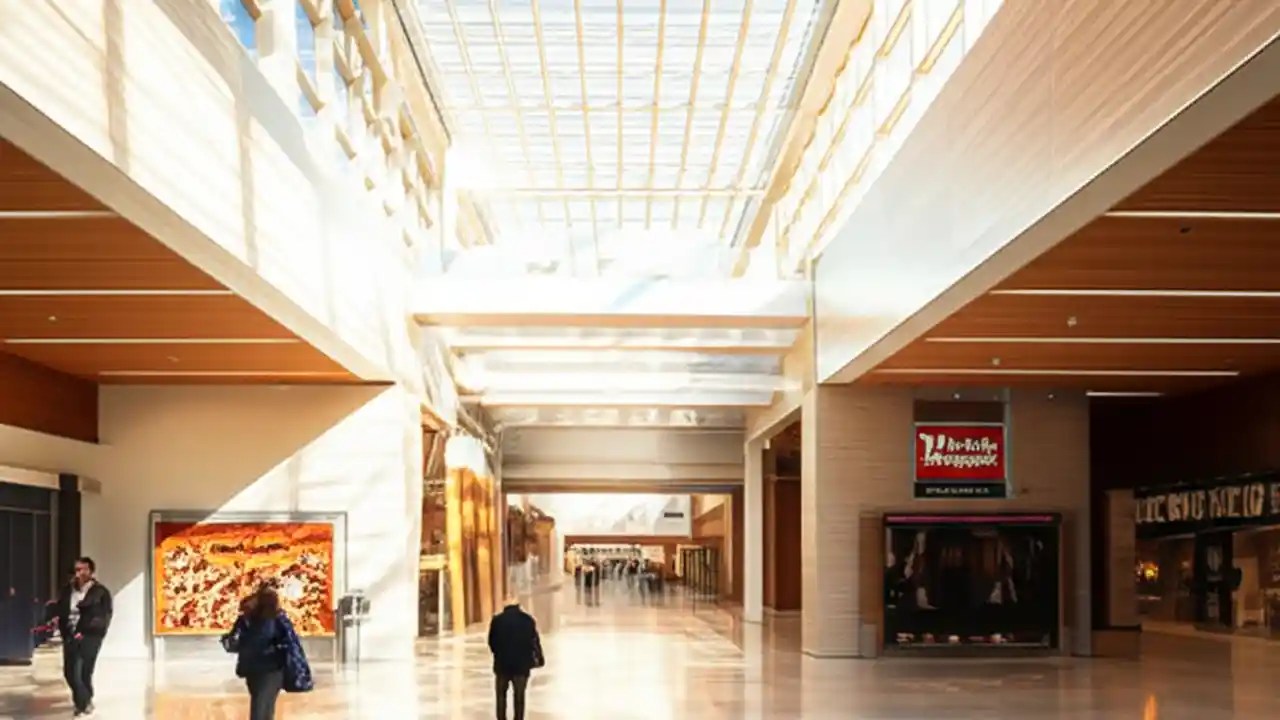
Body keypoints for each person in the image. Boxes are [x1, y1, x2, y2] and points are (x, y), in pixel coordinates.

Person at [222, 585, 310, 720]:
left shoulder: (248, 618)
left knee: (260, 706)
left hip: (254, 668)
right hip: (271, 668)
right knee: (264, 707)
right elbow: (291, 642)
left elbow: (236, 641)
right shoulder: (277, 618)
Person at [54, 557, 112, 718]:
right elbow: (61, 609)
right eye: (77, 570)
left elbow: (103, 615)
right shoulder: (68, 590)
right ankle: (83, 700)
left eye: (83, 569)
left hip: (89, 637)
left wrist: (87, 630)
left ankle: (83, 703)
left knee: (82, 671)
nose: (79, 573)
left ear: (91, 572)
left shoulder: (100, 592)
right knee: (69, 672)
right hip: (70, 635)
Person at [487, 598, 544, 720]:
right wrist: (539, 658)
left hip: (502, 665)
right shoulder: (528, 620)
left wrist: (498, 654)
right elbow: (534, 641)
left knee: (501, 696)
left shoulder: (497, 620)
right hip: (522, 666)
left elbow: (491, 642)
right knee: (519, 697)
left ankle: (501, 718)